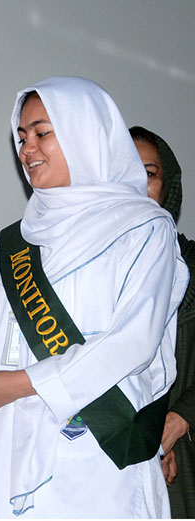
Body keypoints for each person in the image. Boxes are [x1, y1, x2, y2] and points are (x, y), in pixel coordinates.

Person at [0, 77, 189, 517]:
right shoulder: (12, 242)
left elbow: (132, 342)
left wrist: (19, 384)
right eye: (21, 137)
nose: (26, 149)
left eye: (41, 133)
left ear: (84, 133)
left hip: (92, 457)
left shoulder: (143, 228)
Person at [131, 125, 195, 517]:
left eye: (149, 173)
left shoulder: (193, 264)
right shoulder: (80, 271)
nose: (137, 184)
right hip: (110, 454)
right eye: (125, 170)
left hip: (184, 455)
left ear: (167, 185)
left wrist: (180, 418)